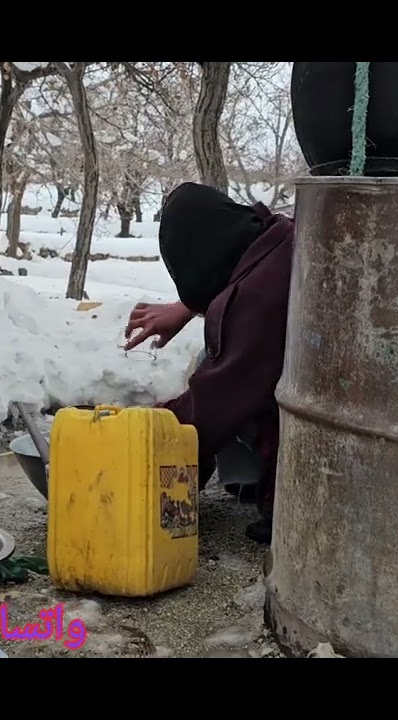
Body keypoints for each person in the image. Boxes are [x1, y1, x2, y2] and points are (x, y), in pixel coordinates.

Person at [123, 182, 294, 545]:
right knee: (213, 358)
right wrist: (189, 306)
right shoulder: (278, 238)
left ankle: (285, 504)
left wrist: (145, 434)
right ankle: (254, 478)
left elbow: (211, 409)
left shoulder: (255, 301)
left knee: (215, 373)